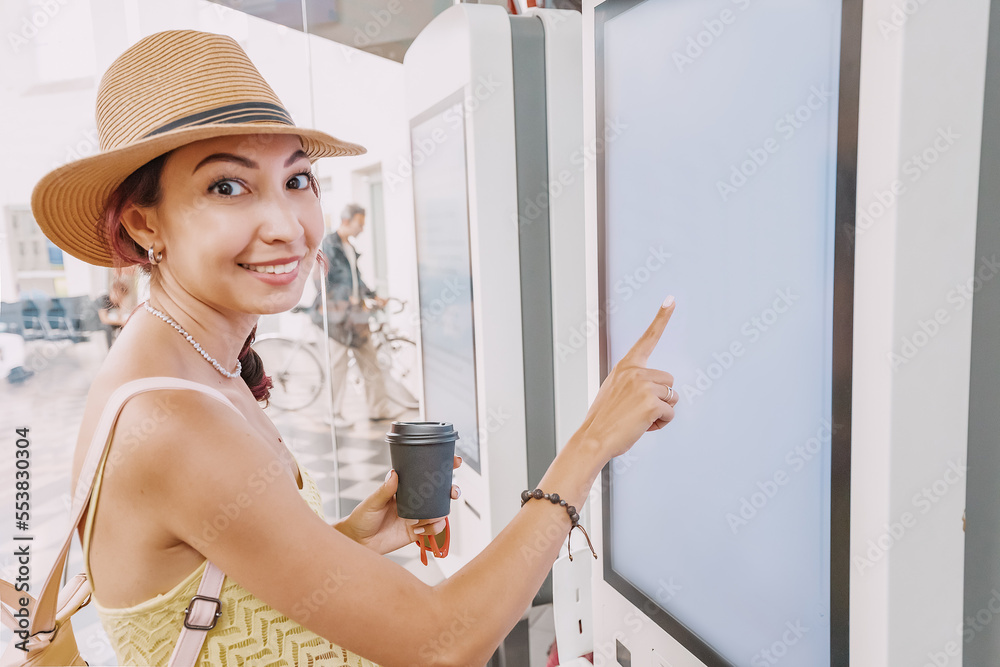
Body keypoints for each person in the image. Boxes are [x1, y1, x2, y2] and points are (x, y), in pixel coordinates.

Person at [32, 30, 678, 666]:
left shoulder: (182, 362)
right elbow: (444, 645)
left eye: (297, 179)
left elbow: (211, 590)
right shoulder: (176, 418)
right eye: (227, 187)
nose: (286, 226)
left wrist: (345, 542)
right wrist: (590, 443)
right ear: (144, 222)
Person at [318, 203, 400, 424]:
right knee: (338, 365)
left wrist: (372, 295)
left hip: (357, 314)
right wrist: (345, 299)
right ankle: (332, 414)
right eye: (360, 224)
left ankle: (378, 409)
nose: (362, 229)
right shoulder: (329, 245)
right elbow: (325, 281)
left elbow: (356, 279)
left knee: (370, 360)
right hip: (340, 315)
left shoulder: (349, 247)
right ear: (347, 221)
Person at [96, 275, 135, 348]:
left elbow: (119, 316)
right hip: (96, 322)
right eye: (120, 296)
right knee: (108, 327)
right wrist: (121, 321)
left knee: (123, 326)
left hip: (108, 322)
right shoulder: (104, 299)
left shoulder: (116, 302)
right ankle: (110, 349)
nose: (120, 298)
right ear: (113, 291)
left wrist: (122, 304)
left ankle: (123, 345)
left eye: (122, 297)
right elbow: (104, 320)